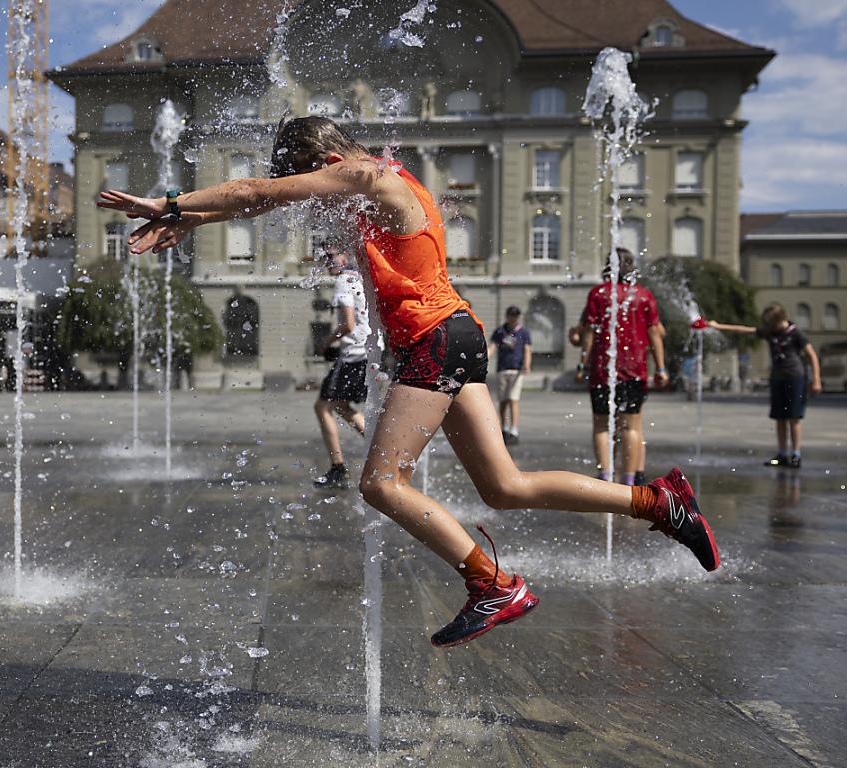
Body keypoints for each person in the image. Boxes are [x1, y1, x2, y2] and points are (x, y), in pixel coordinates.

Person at [97, 115, 719, 648]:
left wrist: (171, 204)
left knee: (382, 483)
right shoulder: (383, 183)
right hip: (456, 333)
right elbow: (265, 200)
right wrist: (197, 222)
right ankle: (658, 502)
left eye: (313, 185)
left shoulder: (369, 177)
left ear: (330, 161)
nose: (314, 203)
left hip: (434, 338)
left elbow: (259, 188)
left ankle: (492, 584)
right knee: (504, 485)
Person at [576, 248, 668, 486]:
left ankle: (605, 477)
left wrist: (582, 363)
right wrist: (661, 368)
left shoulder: (598, 294)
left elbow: (589, 334)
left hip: (602, 370)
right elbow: (655, 334)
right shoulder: (643, 296)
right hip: (635, 370)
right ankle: (629, 481)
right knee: (632, 426)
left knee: (601, 425)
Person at [710, 304, 821, 468]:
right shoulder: (771, 332)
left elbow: (812, 355)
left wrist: (816, 379)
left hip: (795, 378)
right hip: (777, 379)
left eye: (771, 325)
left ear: (780, 320)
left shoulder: (796, 333)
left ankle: (796, 454)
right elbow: (744, 329)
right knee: (779, 418)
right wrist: (718, 326)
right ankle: (782, 454)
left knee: (794, 418)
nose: (769, 328)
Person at [313, 248, 370, 489]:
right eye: (324, 257)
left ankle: (338, 468)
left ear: (345, 256)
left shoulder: (343, 282)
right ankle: (384, 451)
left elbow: (347, 324)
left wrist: (325, 342)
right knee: (339, 406)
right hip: (362, 354)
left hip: (351, 356)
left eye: (333, 256)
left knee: (323, 407)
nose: (328, 261)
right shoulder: (359, 278)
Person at [489, 306, 532, 445]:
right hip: (503, 369)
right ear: (507, 316)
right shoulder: (500, 331)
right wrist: (484, 358)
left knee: (513, 399)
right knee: (503, 400)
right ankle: (504, 427)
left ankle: (514, 429)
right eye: (511, 315)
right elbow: (493, 347)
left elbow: (527, 349)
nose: (513, 318)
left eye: (515, 316)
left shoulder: (523, 332)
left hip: (516, 370)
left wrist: (526, 364)